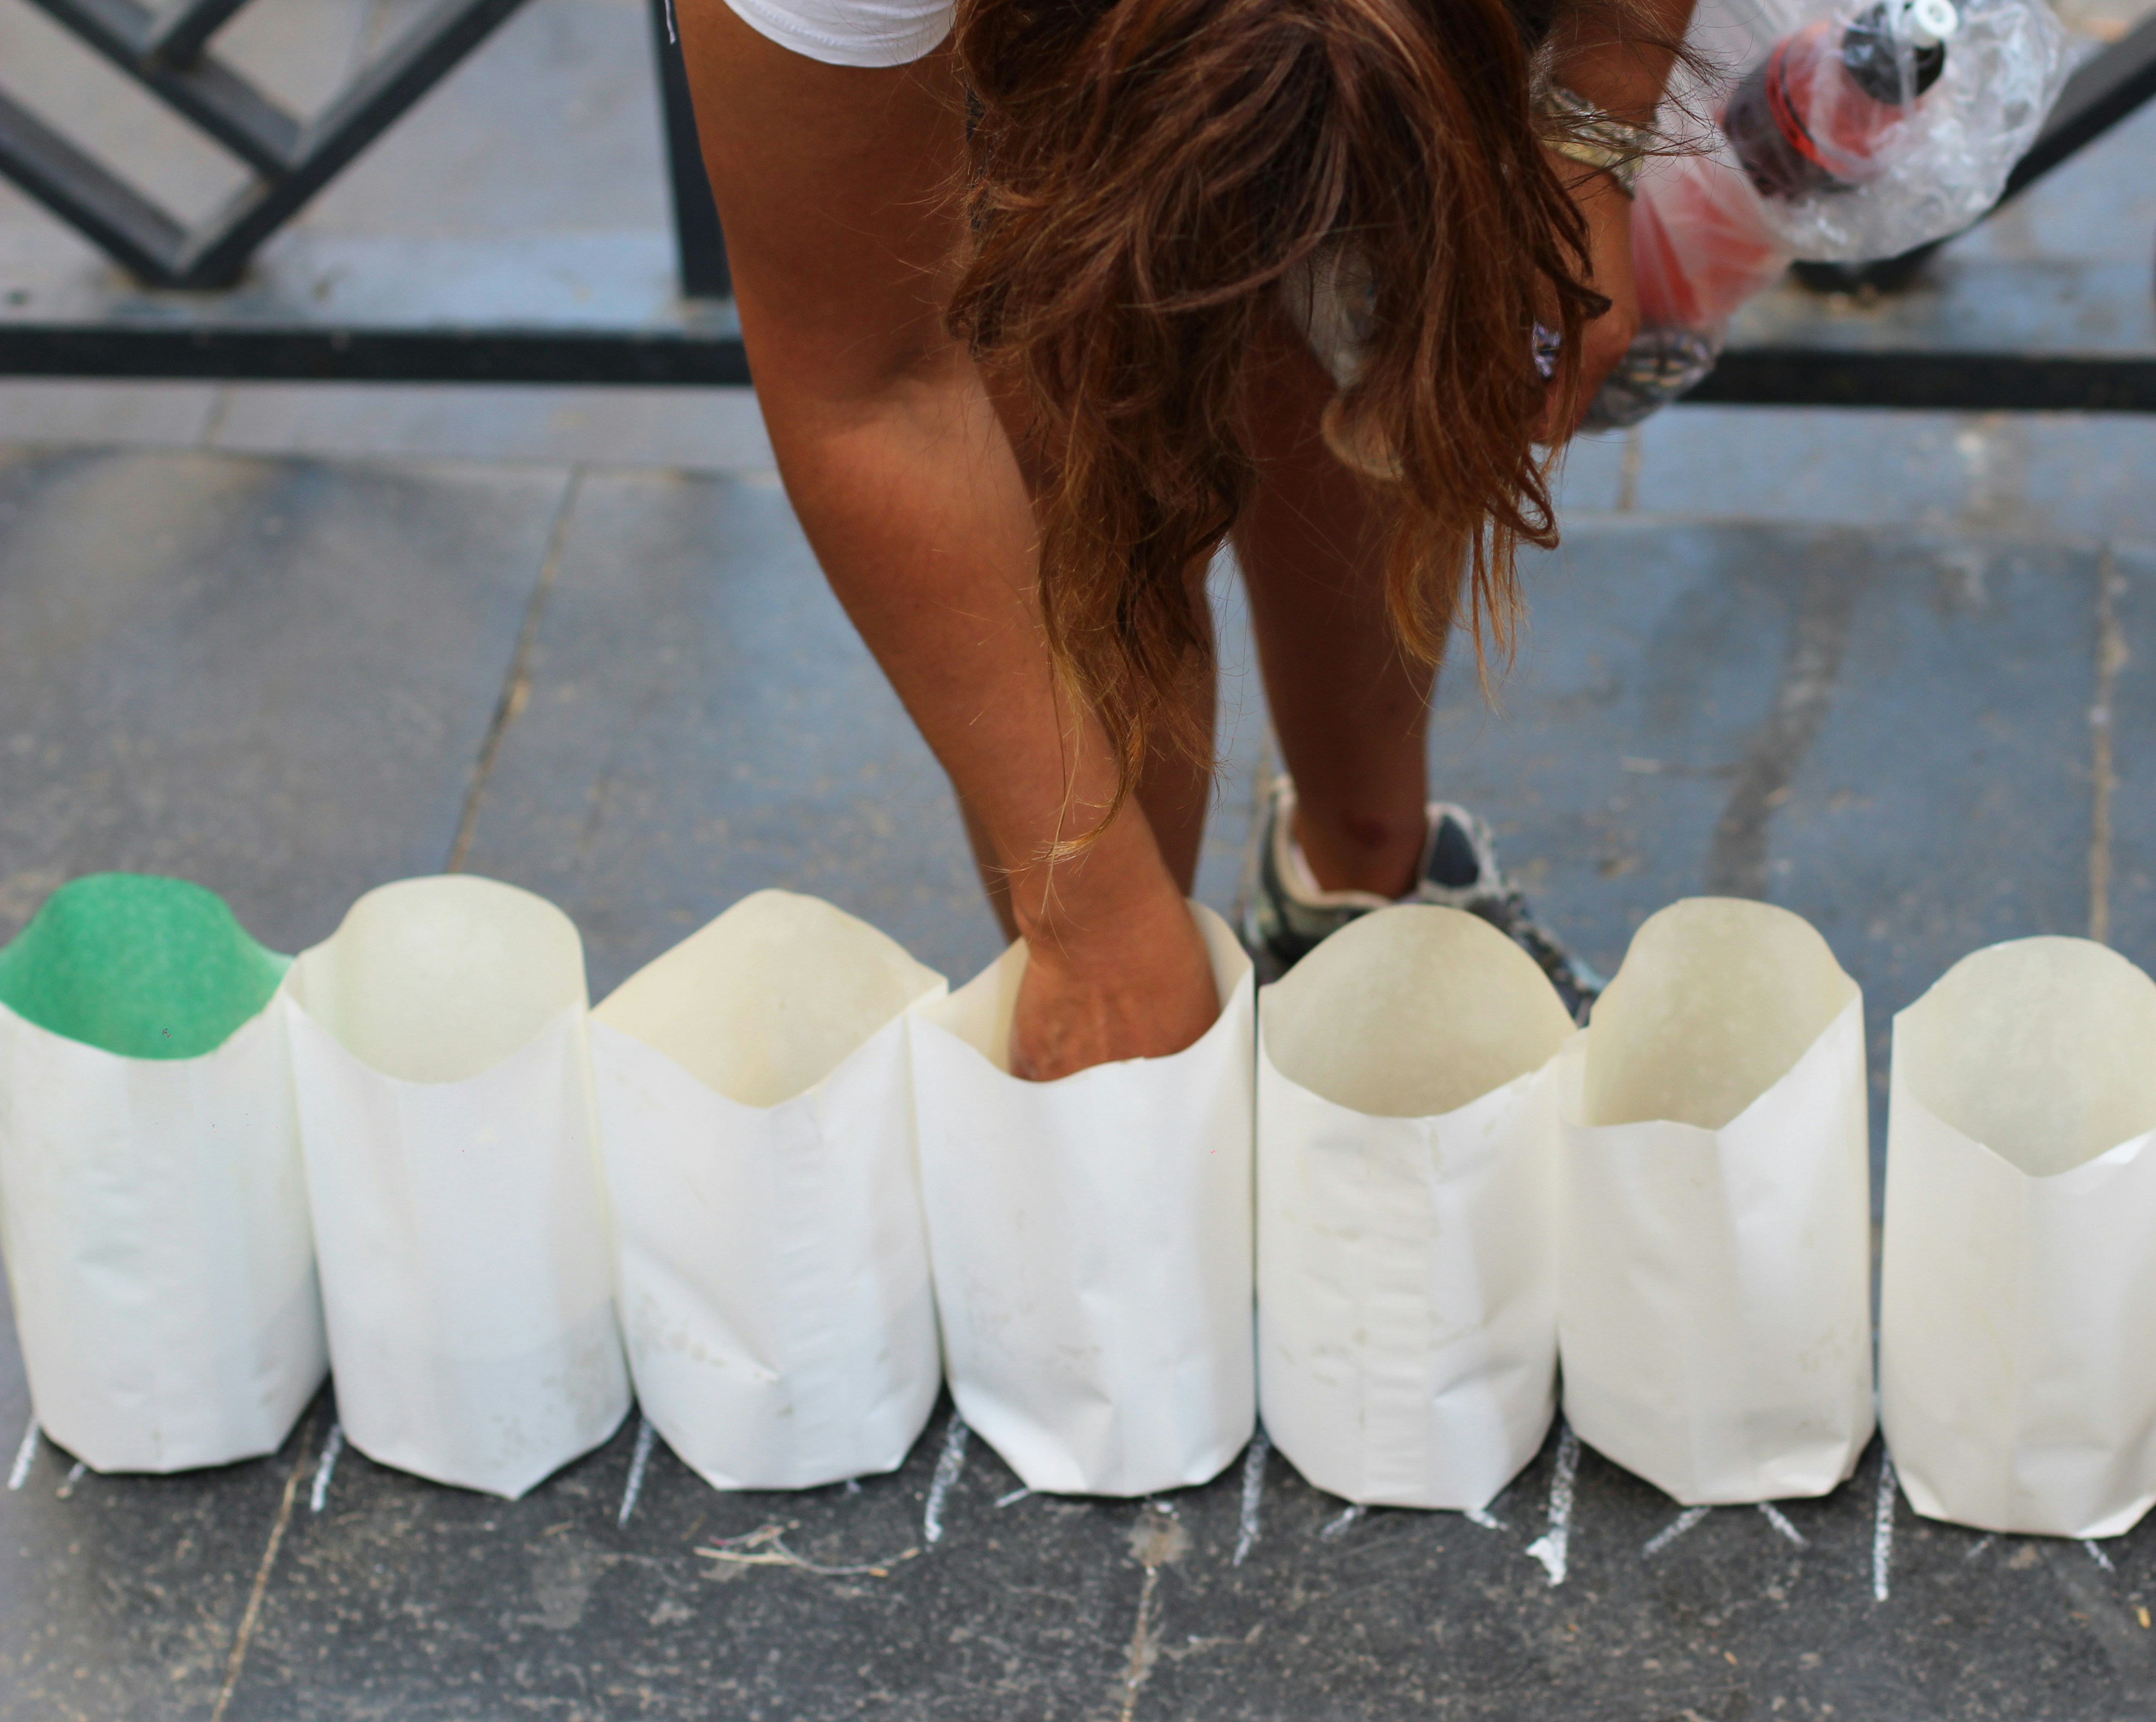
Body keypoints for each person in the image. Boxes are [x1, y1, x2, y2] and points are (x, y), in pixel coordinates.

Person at [684, 0, 1692, 1078]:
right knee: (1070, 422)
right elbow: (874, 391)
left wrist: (1590, 133)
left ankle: (1358, 880)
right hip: (1038, 129)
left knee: (1371, 312)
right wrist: (1090, 916)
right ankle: (1129, 1024)